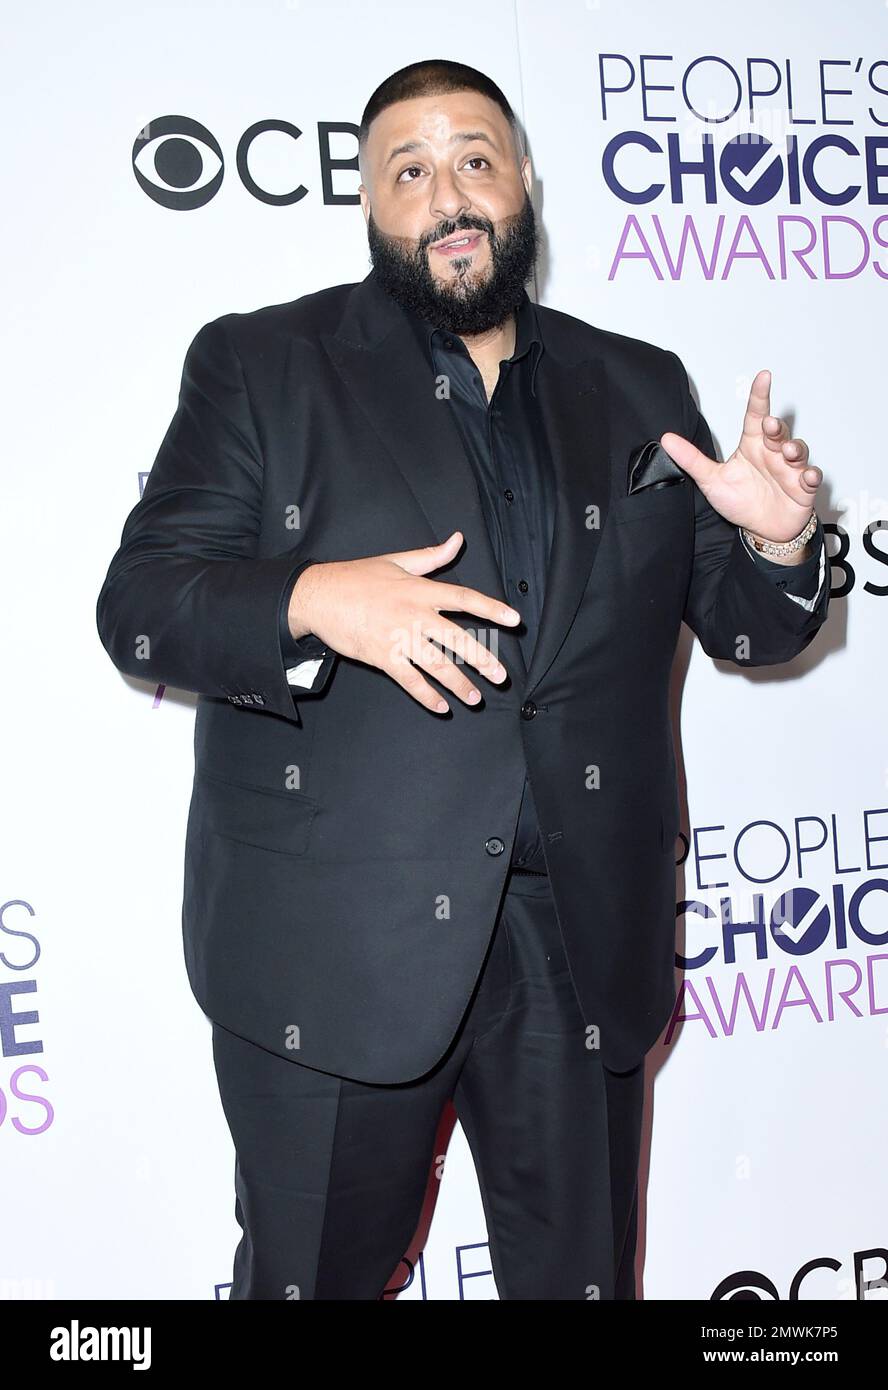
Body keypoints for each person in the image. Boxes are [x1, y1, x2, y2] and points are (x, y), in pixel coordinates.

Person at [95, 58, 830, 1300]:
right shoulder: (263, 367)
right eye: (411, 171)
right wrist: (312, 600)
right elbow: (142, 606)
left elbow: (751, 631)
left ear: (525, 182)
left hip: (577, 937)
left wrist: (776, 540)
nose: (450, 196)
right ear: (371, 203)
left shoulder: (642, 383)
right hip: (337, 950)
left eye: (476, 160)